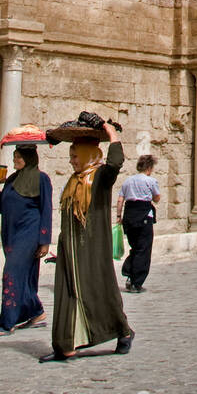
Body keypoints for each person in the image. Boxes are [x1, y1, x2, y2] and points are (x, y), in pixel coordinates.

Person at [40, 118, 134, 362]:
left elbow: (115, 163)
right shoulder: (74, 181)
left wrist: (112, 136)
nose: (72, 160)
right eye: (71, 155)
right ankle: (65, 345)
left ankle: (123, 332)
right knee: (67, 294)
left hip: (93, 250)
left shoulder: (100, 178)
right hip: (70, 249)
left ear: (88, 154)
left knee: (100, 292)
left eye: (75, 155)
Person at [0, 145, 52, 336]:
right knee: (21, 275)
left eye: (19, 157)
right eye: (15, 157)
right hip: (11, 234)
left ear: (30, 158)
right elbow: (5, 208)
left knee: (11, 273)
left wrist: (44, 240)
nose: (15, 160)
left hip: (29, 234)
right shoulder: (12, 179)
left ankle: (7, 323)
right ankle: (36, 313)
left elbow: (46, 209)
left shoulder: (41, 179)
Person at [116, 154, 161, 293]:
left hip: (129, 217)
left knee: (135, 247)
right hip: (143, 217)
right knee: (143, 249)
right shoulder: (151, 181)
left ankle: (130, 274)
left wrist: (119, 216)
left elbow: (120, 200)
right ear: (149, 167)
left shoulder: (127, 181)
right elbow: (157, 198)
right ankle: (137, 282)